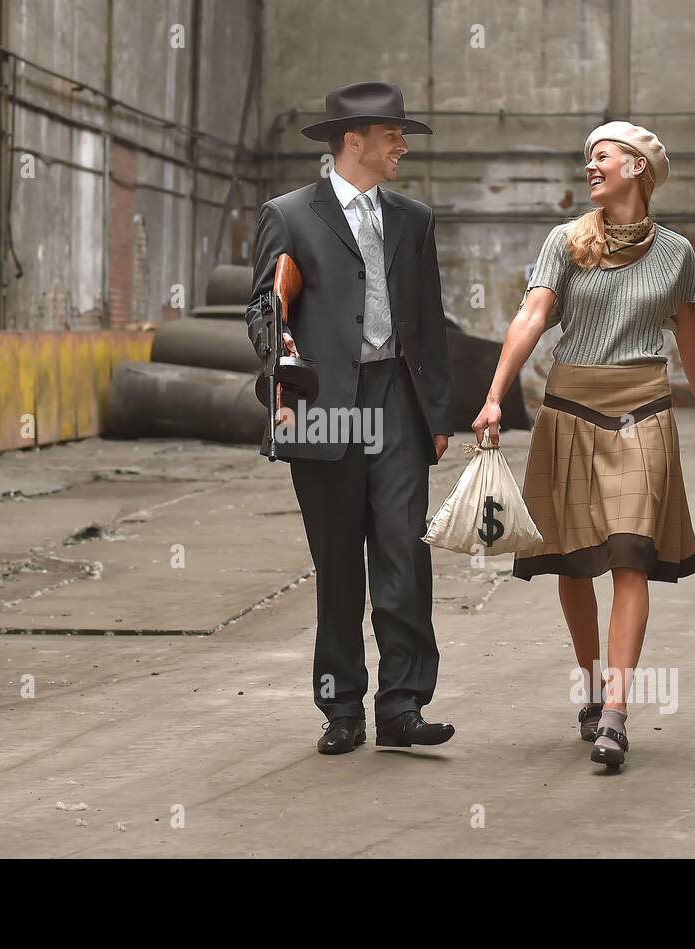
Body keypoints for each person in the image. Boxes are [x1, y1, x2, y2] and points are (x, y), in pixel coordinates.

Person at [471, 121, 695, 770]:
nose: (591, 166)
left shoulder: (676, 253)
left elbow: (690, 346)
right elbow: (532, 315)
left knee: (630, 556)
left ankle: (615, 711)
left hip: (642, 410)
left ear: (638, 168)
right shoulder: (566, 241)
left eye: (603, 156)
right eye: (588, 157)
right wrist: (495, 393)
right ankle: (590, 685)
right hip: (569, 410)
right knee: (573, 557)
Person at [245, 81, 456, 755]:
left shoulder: (415, 220)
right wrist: (278, 353)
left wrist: (438, 410)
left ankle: (403, 705)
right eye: (393, 134)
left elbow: (429, 324)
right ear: (353, 141)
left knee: (403, 552)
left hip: (397, 396)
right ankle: (342, 709)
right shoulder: (289, 215)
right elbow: (261, 308)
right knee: (339, 563)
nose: (402, 144)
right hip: (322, 405)